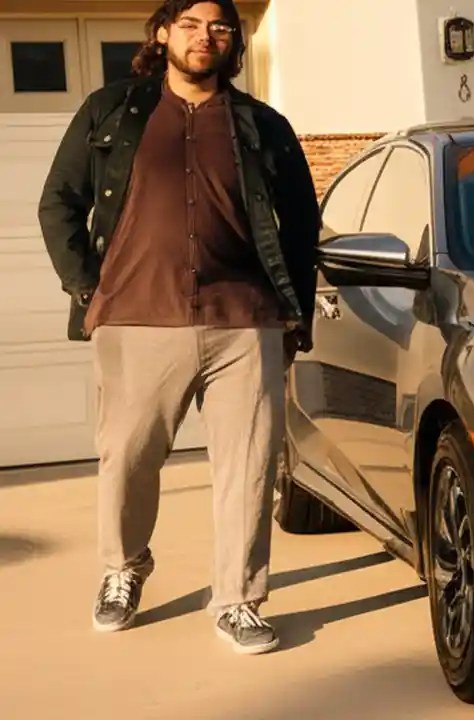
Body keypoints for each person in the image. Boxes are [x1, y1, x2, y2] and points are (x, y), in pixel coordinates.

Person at [37, 0, 320, 655]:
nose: (205, 37)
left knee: (249, 466)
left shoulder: (262, 125)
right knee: (128, 457)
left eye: (219, 27)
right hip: (137, 318)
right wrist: (88, 288)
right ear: (163, 33)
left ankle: (238, 599)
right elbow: (60, 203)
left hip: (244, 321)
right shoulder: (111, 111)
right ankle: (124, 567)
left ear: (233, 42)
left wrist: (293, 317)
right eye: (190, 24)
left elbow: (301, 224)